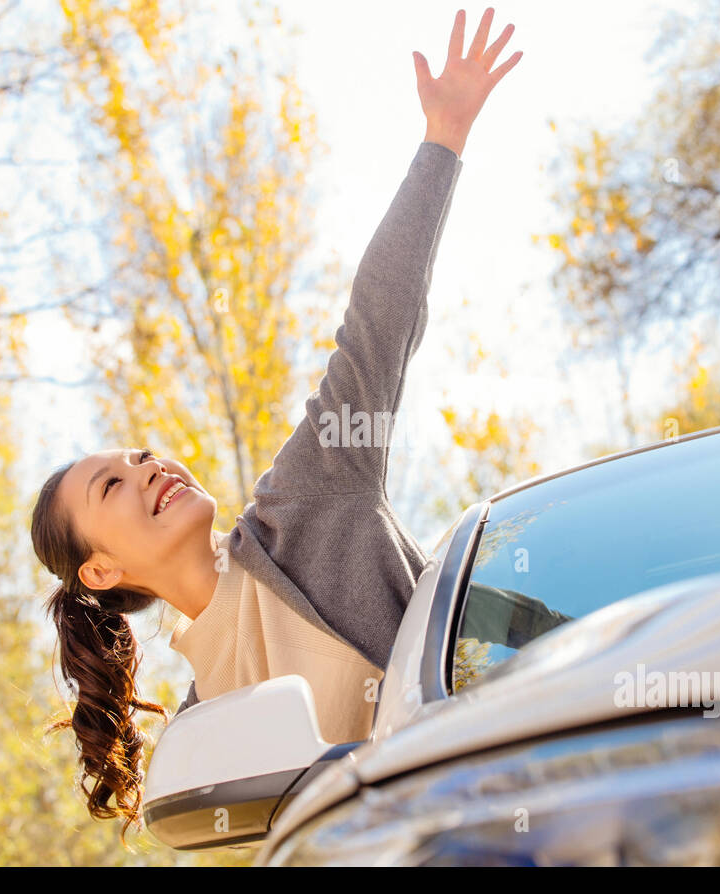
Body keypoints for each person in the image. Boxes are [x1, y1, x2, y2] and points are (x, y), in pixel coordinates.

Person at [30, 7, 522, 840]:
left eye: (142, 454)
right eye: (113, 482)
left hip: (549, 765)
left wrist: (443, 137)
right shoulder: (209, 733)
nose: (149, 467)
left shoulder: (307, 497)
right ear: (102, 571)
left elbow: (377, 322)